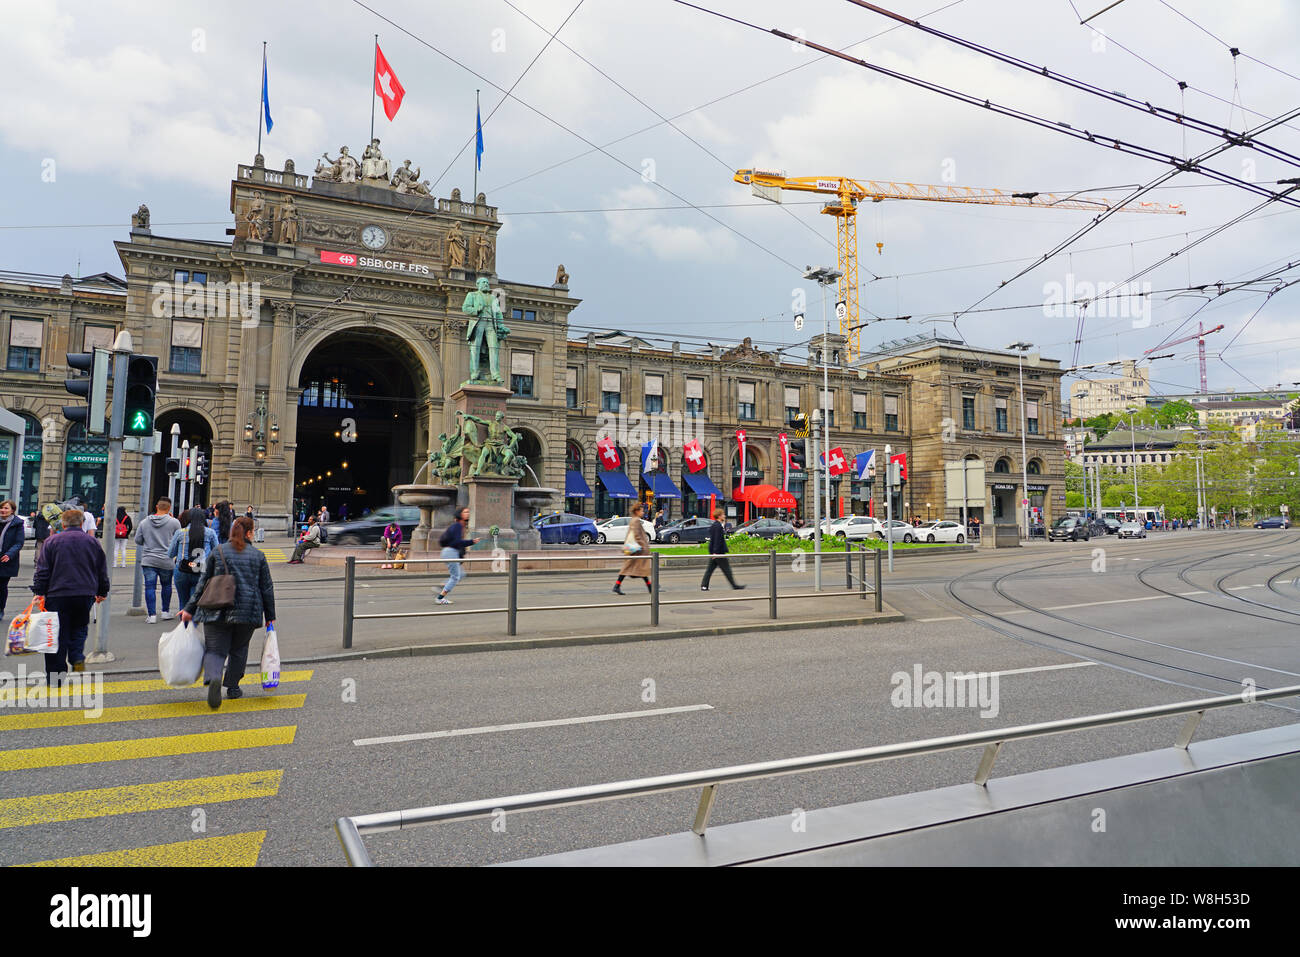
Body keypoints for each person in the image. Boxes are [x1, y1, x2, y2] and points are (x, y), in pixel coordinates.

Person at [181, 516, 275, 710]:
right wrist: (270, 616)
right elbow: (266, 588)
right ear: (249, 533)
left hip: (216, 608)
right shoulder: (258, 556)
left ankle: (214, 676)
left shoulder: (218, 551)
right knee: (239, 650)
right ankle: (233, 687)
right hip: (247, 612)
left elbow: (203, 583)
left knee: (215, 650)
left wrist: (189, 609)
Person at [30, 509, 109, 681]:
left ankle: (55, 677)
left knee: (55, 634)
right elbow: (101, 570)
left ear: (63, 524)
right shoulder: (92, 542)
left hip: (57, 594)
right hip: (84, 593)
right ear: (82, 523)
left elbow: (42, 570)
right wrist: (102, 591)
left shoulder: (51, 542)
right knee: (79, 627)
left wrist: (39, 592)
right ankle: (77, 657)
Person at [135, 497, 181, 624]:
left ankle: (152, 615)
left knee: (150, 587)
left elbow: (138, 540)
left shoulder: (144, 522)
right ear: (169, 508)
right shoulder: (174, 522)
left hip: (149, 560)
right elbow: (179, 539)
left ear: (157, 506)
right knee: (166, 586)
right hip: (167, 559)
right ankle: (165, 612)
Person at [169, 507, 219, 610]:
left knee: (183, 602)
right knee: (195, 603)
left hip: (181, 569)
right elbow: (217, 553)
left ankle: (184, 624)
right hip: (201, 570)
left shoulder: (180, 532)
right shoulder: (210, 533)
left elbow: (170, 553)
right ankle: (192, 624)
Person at [436, 507, 477, 605]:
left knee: (461, 574)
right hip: (450, 552)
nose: (468, 513)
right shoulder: (458, 526)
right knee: (455, 577)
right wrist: (471, 542)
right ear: (460, 514)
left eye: (468, 511)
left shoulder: (460, 526)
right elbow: (456, 542)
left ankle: (443, 586)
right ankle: (440, 598)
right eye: (465, 512)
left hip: (449, 551)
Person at [614, 503, 653, 595]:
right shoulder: (635, 521)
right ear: (637, 511)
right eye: (642, 511)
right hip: (636, 549)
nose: (643, 512)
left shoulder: (634, 520)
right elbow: (636, 535)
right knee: (633, 568)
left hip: (635, 549)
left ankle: (650, 587)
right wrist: (642, 545)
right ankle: (650, 587)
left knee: (635, 568)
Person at [701, 507, 745, 591]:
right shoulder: (718, 526)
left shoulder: (715, 525)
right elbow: (717, 539)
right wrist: (715, 552)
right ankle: (734, 585)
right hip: (719, 553)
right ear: (719, 516)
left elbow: (713, 539)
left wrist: (713, 552)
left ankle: (704, 585)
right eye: (723, 515)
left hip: (716, 552)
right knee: (727, 570)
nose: (724, 516)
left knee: (710, 570)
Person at [0, 500, 25, 622]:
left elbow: (19, 542)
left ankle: (0, 609)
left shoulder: (17, 524)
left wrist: (9, 554)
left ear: (12, 510)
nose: (3, 510)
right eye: (2, 508)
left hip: (6, 559)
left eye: (6, 508)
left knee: (1, 586)